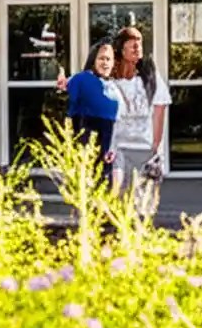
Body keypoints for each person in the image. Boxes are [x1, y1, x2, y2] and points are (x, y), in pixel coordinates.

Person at [110, 26, 171, 218]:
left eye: (140, 43)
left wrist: (155, 144)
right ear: (121, 48)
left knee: (144, 204)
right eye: (132, 43)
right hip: (119, 148)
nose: (137, 47)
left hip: (144, 148)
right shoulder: (110, 79)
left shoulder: (149, 77)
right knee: (118, 199)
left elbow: (160, 107)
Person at [65, 40, 121, 182]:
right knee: (91, 180)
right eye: (101, 58)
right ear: (93, 60)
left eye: (109, 59)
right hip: (89, 133)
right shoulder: (82, 79)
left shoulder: (114, 85)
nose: (105, 63)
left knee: (107, 182)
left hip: (111, 137)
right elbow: (68, 96)